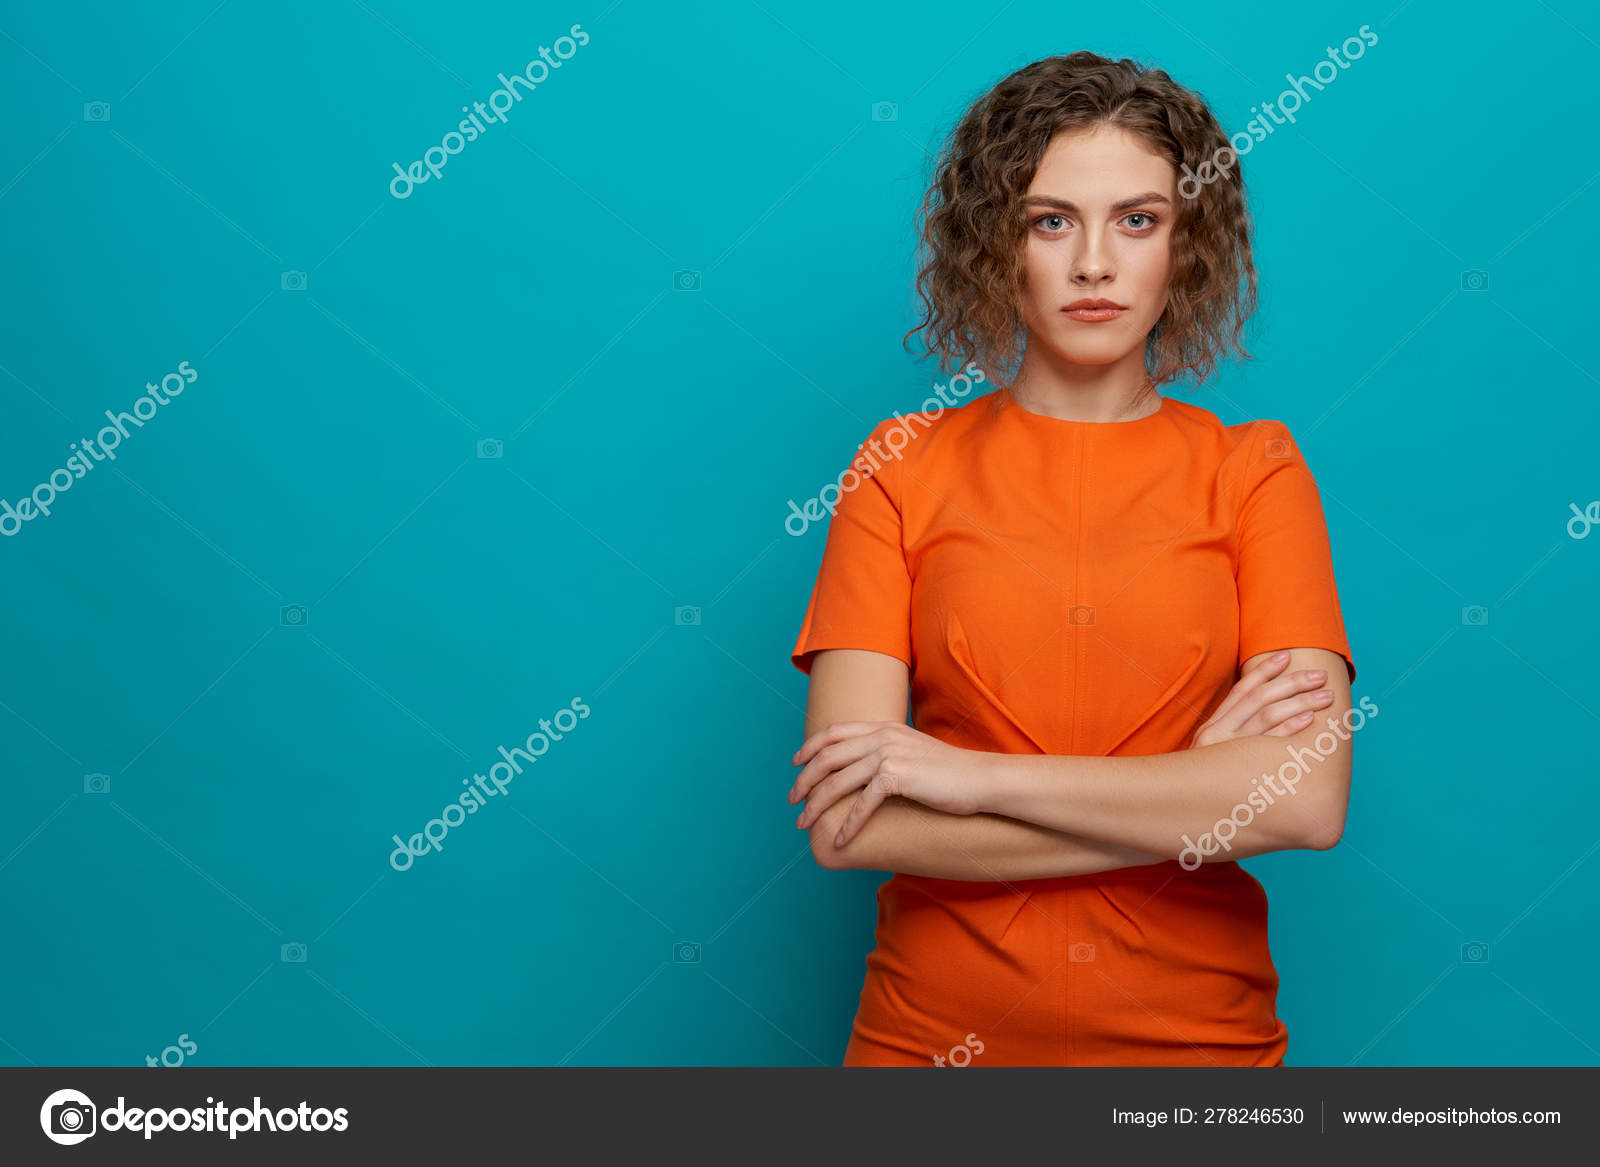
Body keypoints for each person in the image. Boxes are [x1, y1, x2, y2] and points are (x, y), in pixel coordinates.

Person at [787, 50, 1359, 1067]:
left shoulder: (1255, 470)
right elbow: (848, 825)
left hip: (1199, 1057)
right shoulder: (896, 464)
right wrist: (1194, 788)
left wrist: (967, 780)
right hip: (924, 1047)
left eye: (1136, 219)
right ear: (994, 242)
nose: (1093, 263)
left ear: (1185, 245)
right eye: (1050, 220)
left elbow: (1307, 803)